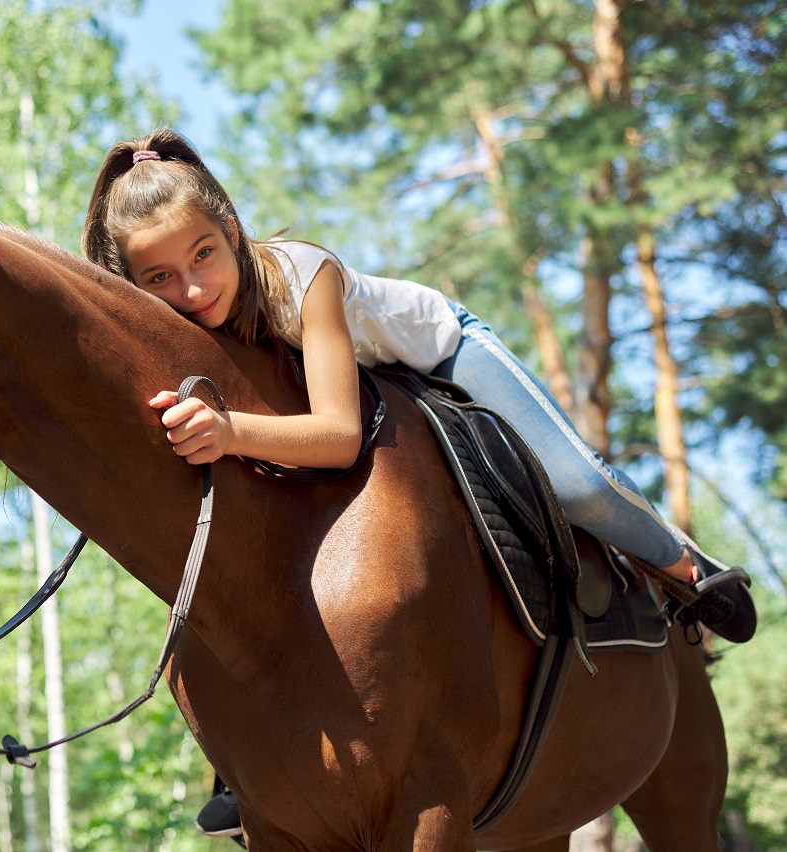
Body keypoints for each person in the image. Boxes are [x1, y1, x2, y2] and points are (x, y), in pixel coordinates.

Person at [81, 129, 756, 838]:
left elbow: (339, 434)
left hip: (441, 350)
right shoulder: (191, 328)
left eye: (202, 256)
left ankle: (686, 566)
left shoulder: (305, 274)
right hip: (358, 381)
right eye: (159, 278)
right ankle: (240, 765)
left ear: (231, 230)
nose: (190, 289)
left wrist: (229, 432)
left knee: (577, 483)